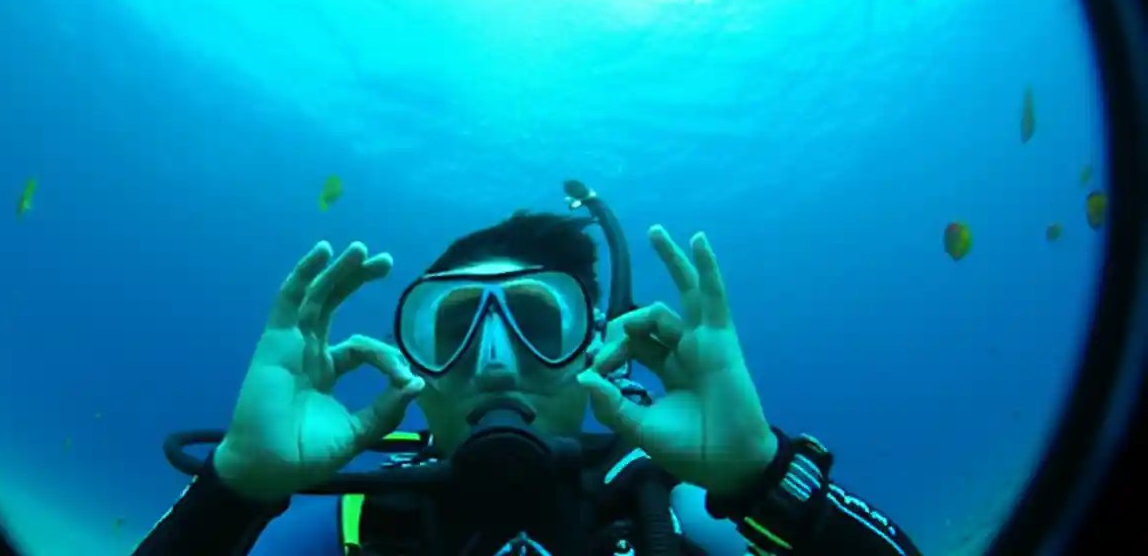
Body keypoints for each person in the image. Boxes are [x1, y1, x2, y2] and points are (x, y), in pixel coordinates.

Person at [137, 186, 923, 556]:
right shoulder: (360, 518)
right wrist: (235, 488)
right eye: (450, 329)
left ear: (593, 354)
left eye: (540, 323)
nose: (493, 361)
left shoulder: (667, 500)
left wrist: (763, 479)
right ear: (414, 366)